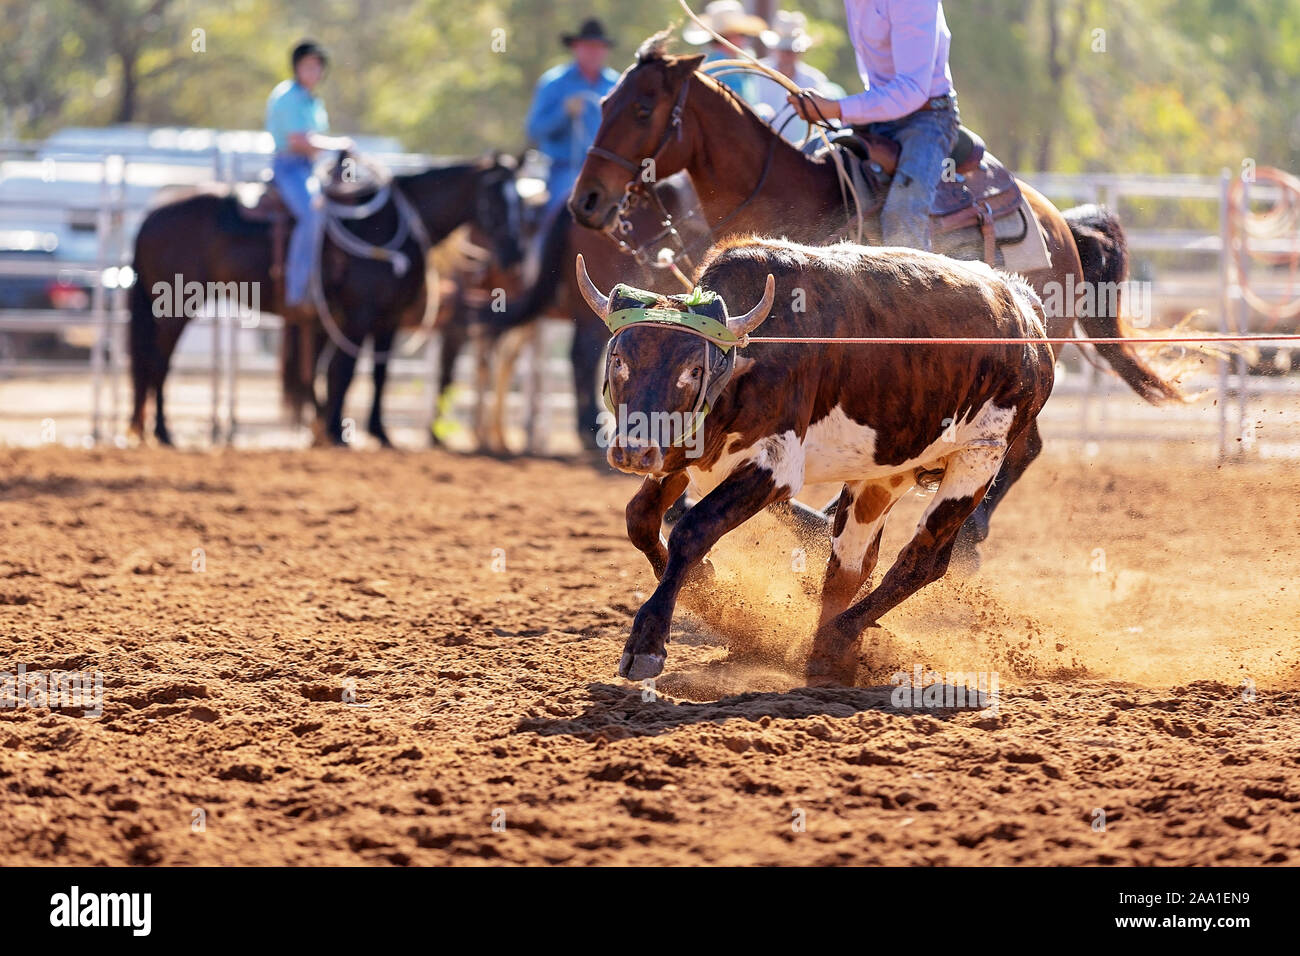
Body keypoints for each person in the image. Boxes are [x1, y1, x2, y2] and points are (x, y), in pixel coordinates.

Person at [788, 0, 959, 250]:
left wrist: (835, 108)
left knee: (903, 212)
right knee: (804, 169)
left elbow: (913, 89)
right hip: (880, 115)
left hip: (928, 118)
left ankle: (913, 288)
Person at [265, 40, 352, 309]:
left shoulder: (312, 100)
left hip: (310, 166)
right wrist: (338, 145)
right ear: (297, 68)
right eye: (308, 66)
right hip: (289, 166)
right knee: (312, 212)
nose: (313, 72)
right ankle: (298, 289)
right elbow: (298, 140)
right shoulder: (289, 96)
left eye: (317, 67)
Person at [525, 18, 620, 214]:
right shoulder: (554, 83)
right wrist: (563, 113)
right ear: (576, 47)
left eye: (598, 47)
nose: (593, 52)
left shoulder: (617, 84)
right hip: (564, 167)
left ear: (605, 50)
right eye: (588, 47)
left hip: (608, 169)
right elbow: (534, 129)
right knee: (562, 209)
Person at [752, 10, 846, 146]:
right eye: (784, 50)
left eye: (792, 51)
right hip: (760, 147)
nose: (788, 55)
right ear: (775, 49)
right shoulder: (757, 73)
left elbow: (824, 118)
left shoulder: (813, 79)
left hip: (799, 153)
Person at [683, 0, 768, 106]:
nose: (743, 39)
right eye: (740, 34)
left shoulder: (742, 60)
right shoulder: (712, 65)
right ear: (726, 37)